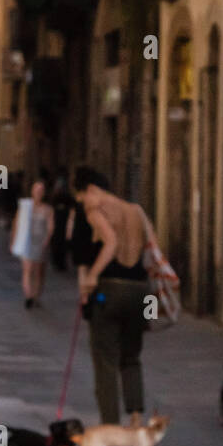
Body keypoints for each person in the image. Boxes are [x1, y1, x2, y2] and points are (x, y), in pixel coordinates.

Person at [72, 167, 153, 427]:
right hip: (139, 289)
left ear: (91, 190)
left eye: (81, 197)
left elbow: (111, 243)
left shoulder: (96, 210)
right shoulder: (136, 210)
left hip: (110, 289)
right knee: (131, 357)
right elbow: (153, 249)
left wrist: (92, 276)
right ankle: (137, 419)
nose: (82, 203)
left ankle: (110, 425)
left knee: (105, 359)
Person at [10, 177, 54, 308]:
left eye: (41, 190)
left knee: (39, 271)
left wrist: (47, 240)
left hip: (40, 242)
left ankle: (36, 295)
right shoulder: (25, 206)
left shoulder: (47, 209)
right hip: (26, 240)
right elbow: (16, 223)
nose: (38, 192)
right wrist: (13, 239)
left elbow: (51, 226)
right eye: (36, 189)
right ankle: (28, 296)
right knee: (27, 269)